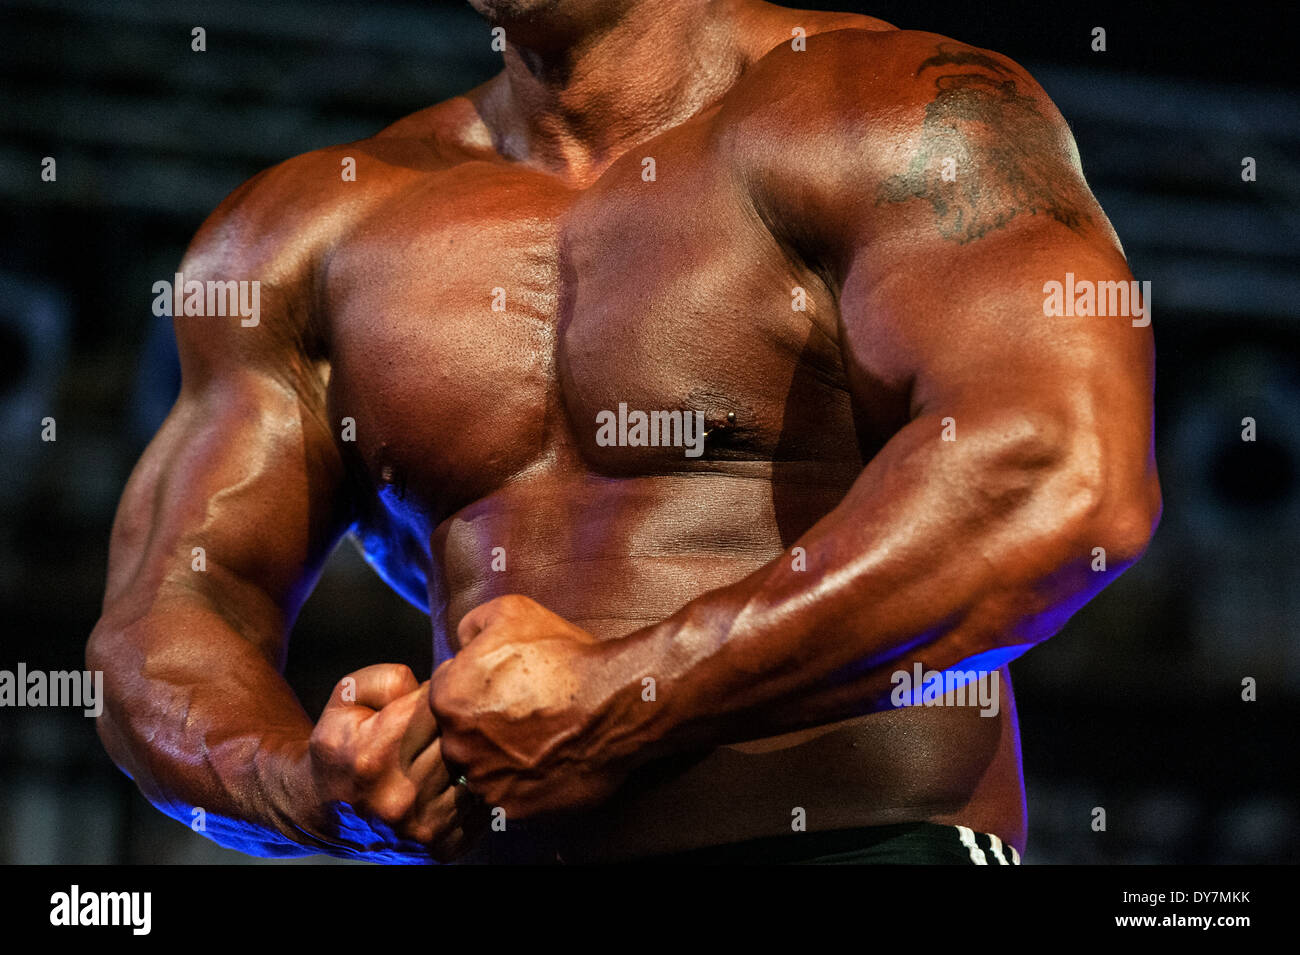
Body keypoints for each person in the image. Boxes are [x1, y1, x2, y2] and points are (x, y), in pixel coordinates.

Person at [87, 0, 1161, 864]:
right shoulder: (304, 229)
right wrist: (314, 792)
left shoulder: (886, 106)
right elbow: (169, 617)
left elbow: (1062, 474)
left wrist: (622, 699)